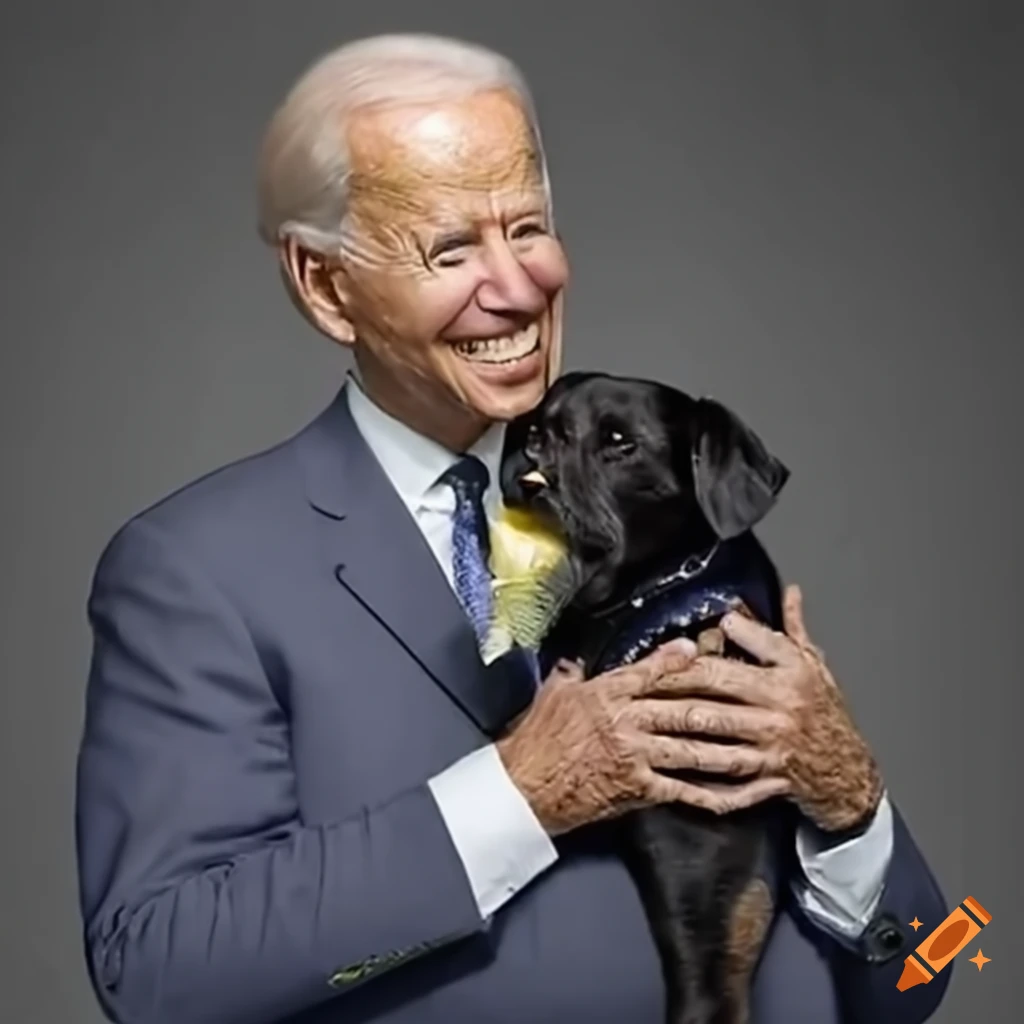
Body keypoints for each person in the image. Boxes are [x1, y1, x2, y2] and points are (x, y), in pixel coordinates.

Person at [75, 33, 951, 1024]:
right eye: (452, 248)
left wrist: (851, 802)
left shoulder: (683, 520)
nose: (519, 285)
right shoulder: (197, 571)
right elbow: (157, 973)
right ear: (325, 284)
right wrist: (519, 795)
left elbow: (930, 971)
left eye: (527, 227)